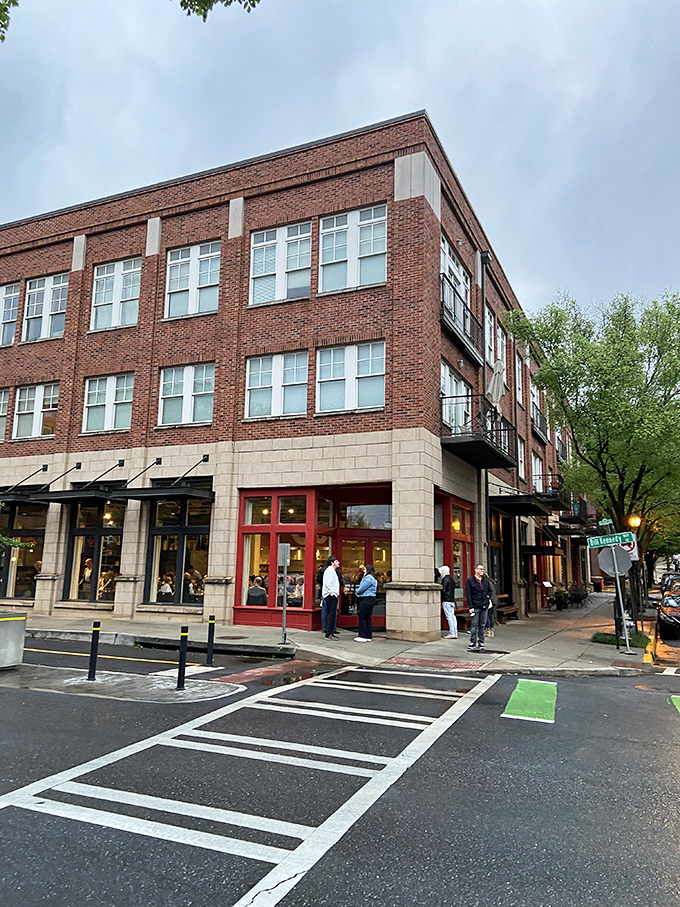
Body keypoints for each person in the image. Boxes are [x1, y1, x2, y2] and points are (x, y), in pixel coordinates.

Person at [465, 563, 492, 652]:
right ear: (476, 570)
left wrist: (488, 597)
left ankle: (481, 642)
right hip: (475, 605)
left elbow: (490, 590)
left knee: (482, 624)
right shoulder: (470, 581)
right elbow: (468, 594)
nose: (482, 571)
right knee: (474, 625)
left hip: (484, 605)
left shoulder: (485, 580)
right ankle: (472, 642)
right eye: (480, 569)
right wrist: (470, 606)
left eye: (483, 569)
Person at [354, 564, 378, 641]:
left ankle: (362, 635)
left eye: (364, 569)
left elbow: (362, 588)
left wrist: (356, 592)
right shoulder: (373, 578)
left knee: (362, 616)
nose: (363, 571)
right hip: (371, 598)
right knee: (367, 617)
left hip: (366, 598)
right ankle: (368, 636)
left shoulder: (368, 578)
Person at [322, 555, 340, 639]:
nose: (338, 563)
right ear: (332, 562)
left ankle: (330, 632)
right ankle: (328, 633)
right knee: (331, 614)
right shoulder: (329, 571)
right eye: (336, 561)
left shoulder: (332, 571)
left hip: (331, 595)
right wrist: (332, 593)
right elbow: (328, 584)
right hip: (330, 595)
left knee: (332, 614)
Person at [439, 565, 457, 638]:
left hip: (446, 600)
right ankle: (455, 632)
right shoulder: (451, 579)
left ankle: (452, 632)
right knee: (452, 616)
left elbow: (443, 590)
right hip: (451, 600)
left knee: (449, 616)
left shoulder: (445, 580)